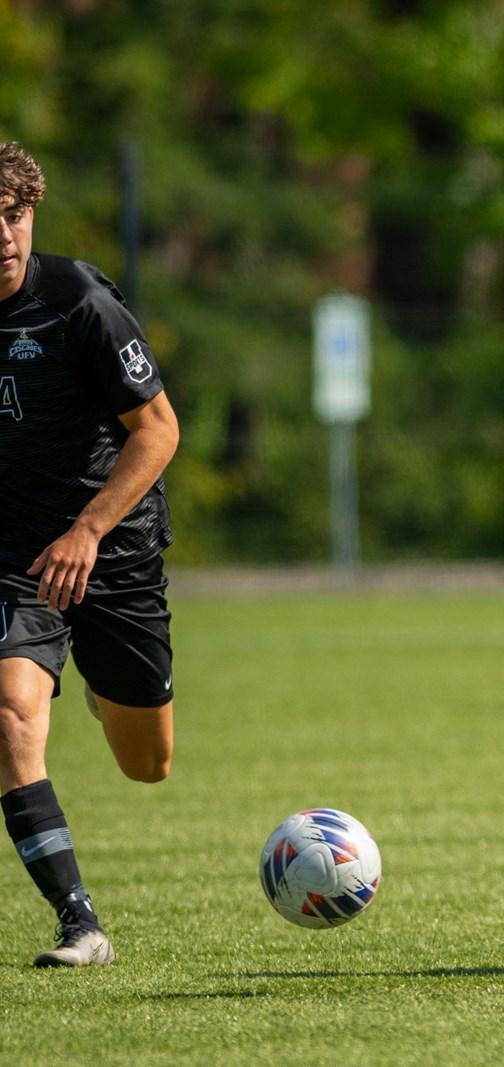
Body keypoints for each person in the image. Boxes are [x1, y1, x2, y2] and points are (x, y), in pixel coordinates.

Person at [0, 141, 180, 967]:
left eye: (15, 214)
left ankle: (106, 690)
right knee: (10, 717)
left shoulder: (78, 301)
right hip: (18, 554)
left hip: (114, 544)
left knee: (148, 763)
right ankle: (80, 923)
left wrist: (89, 529)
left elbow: (159, 431)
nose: (4, 233)